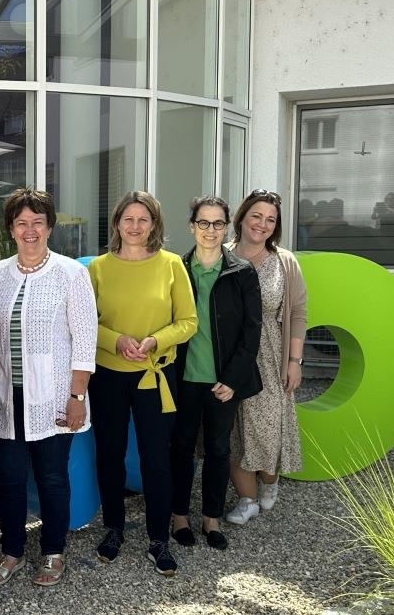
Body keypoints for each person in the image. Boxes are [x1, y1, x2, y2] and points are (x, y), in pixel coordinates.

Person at [0, 188, 97, 589]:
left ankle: (52, 550)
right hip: (4, 399)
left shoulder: (71, 274)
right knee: (8, 479)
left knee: (51, 478)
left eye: (38, 222)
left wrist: (77, 397)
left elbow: (84, 342)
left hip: (53, 398)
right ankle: (11, 548)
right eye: (21, 223)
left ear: (49, 227)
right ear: (10, 228)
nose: (30, 230)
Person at [87, 190, 197, 577]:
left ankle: (158, 539)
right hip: (108, 376)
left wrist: (155, 341)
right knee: (110, 454)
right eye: (128, 219)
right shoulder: (98, 268)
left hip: (156, 375)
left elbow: (188, 322)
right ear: (117, 223)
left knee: (156, 459)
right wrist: (115, 340)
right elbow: (84, 322)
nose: (135, 226)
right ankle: (114, 529)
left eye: (143, 219)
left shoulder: (170, 265)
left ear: (154, 225)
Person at [169, 196, 263, 551]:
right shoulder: (175, 269)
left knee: (219, 449)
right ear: (192, 226)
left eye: (218, 223)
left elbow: (252, 330)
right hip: (183, 378)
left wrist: (233, 380)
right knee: (180, 448)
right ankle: (179, 515)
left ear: (227, 227)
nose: (210, 230)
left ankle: (210, 517)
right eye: (203, 223)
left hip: (223, 382)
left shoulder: (241, 271)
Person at [226, 189, 308, 525]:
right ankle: (247, 500)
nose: (262, 224)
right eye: (256, 216)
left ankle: (269, 483)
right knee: (233, 431)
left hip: (271, 357)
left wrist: (295, 361)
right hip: (230, 358)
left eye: (270, 219)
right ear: (242, 217)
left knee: (267, 429)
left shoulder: (284, 261)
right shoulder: (220, 254)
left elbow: (298, 312)